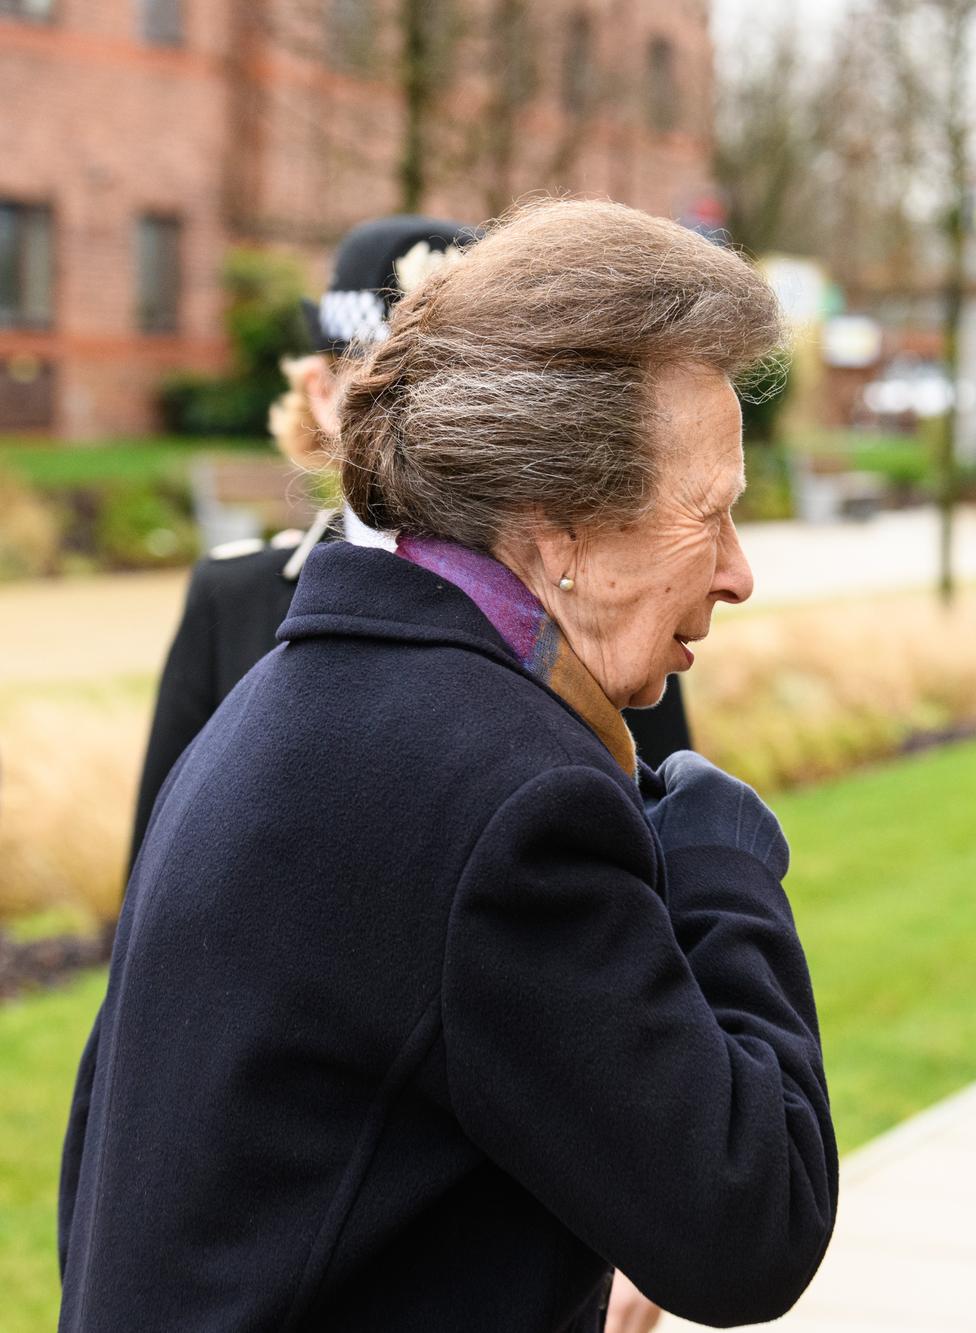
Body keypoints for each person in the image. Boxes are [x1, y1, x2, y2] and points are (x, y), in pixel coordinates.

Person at [58, 199, 836, 1330]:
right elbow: (748, 1224)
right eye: (706, 514)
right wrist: (724, 875)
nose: (736, 572)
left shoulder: (307, 695)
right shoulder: (510, 802)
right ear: (556, 526)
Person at [130, 215, 695, 868]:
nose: (420, 413)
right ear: (321, 394)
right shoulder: (234, 600)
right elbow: (160, 872)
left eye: (454, 384)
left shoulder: (602, 594)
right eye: (382, 380)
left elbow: (666, 856)